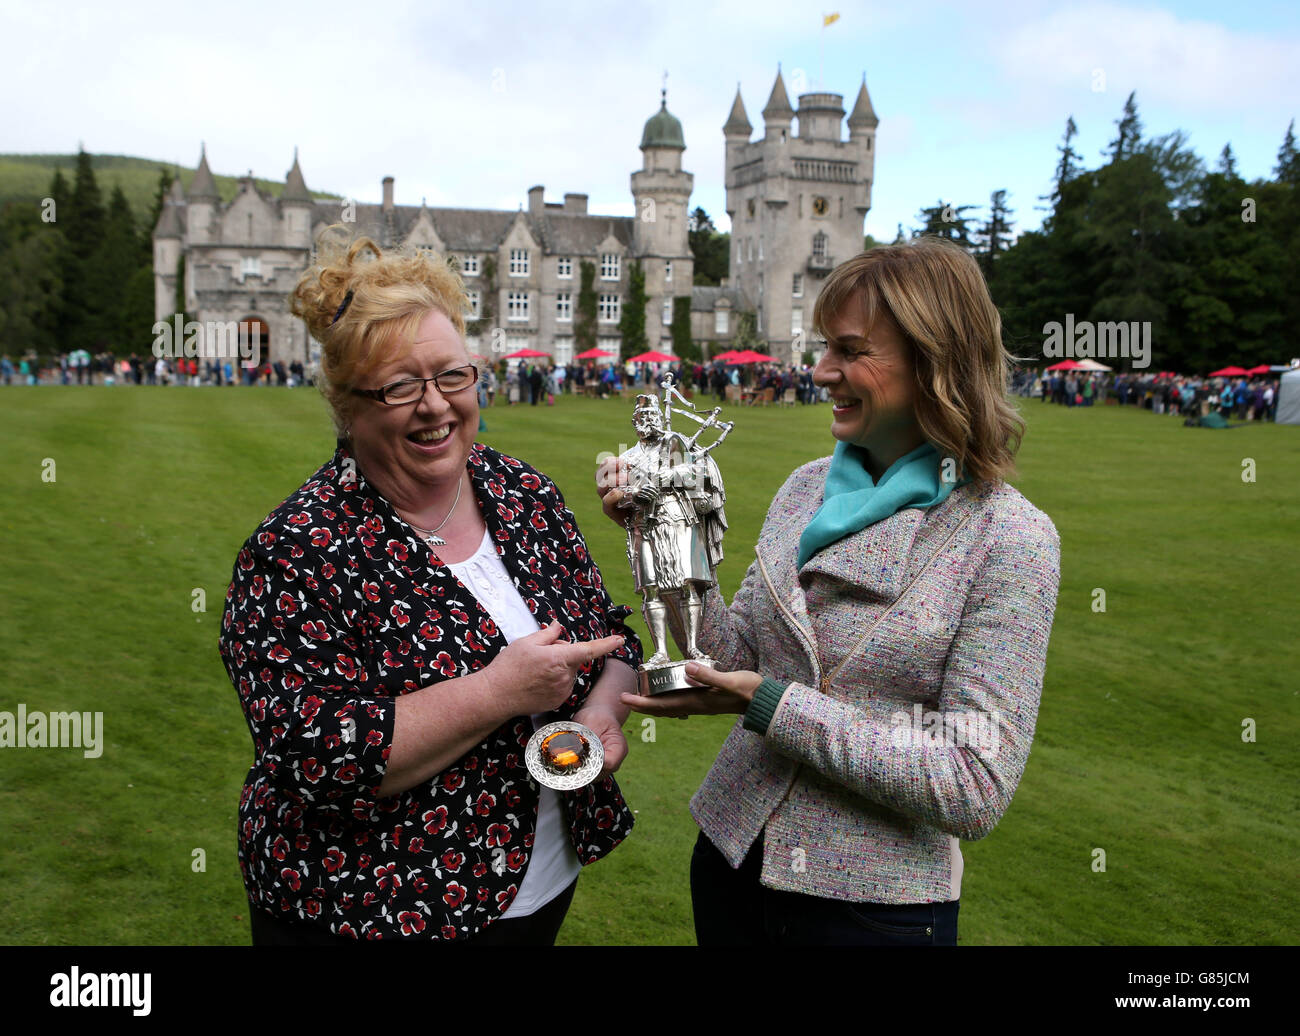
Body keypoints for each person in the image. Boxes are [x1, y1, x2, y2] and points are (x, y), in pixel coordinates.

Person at [597, 238, 1060, 946]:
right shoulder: (807, 486)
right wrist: (665, 530)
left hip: (869, 909)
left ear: (936, 362)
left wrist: (773, 705)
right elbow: (732, 652)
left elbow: (973, 783)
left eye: (850, 350)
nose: (821, 371)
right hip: (728, 857)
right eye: (823, 347)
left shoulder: (1008, 537)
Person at [219, 230, 642, 944]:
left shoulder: (522, 493)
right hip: (371, 908)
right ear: (347, 406)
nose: (436, 406)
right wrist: (499, 691)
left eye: (453, 376)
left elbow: (610, 634)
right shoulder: (294, 551)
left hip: (539, 882)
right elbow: (319, 756)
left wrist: (602, 711)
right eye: (399, 386)